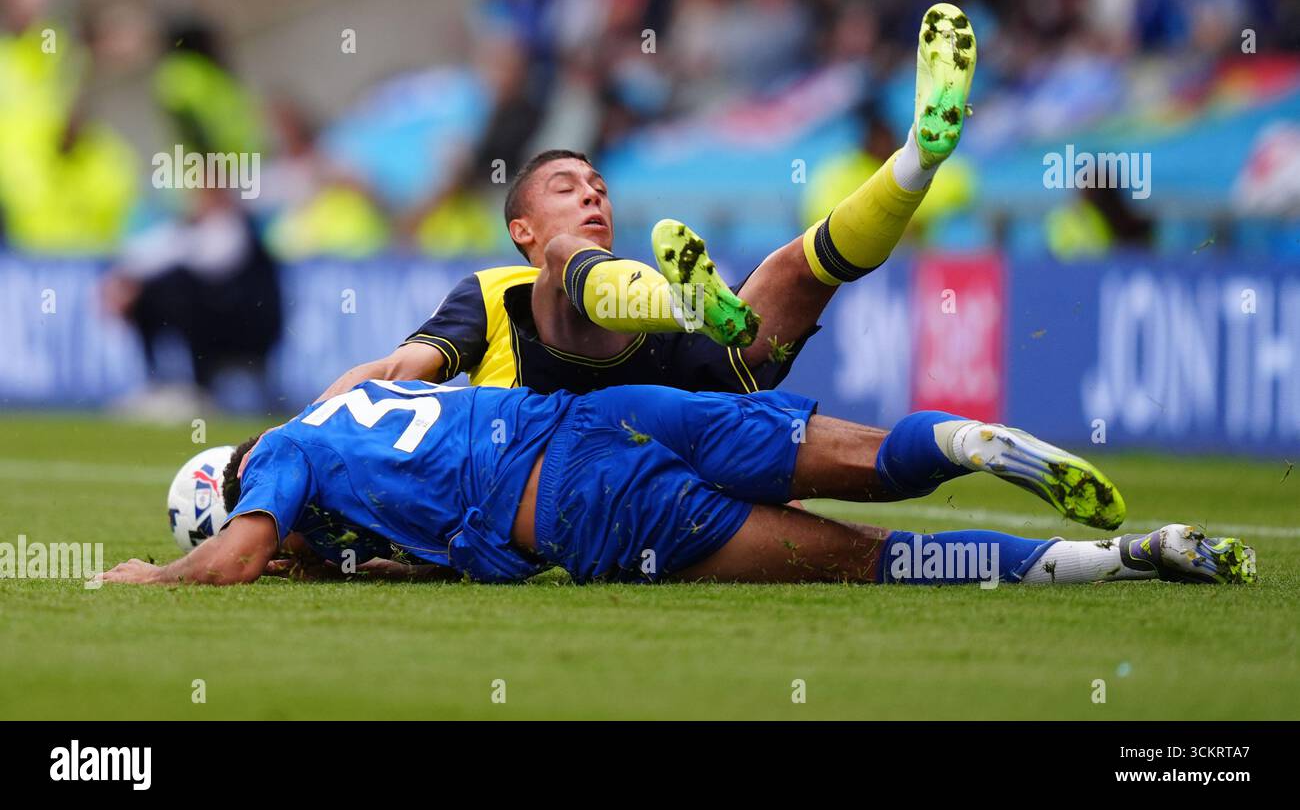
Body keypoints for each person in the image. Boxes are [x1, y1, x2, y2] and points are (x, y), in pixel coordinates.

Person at [320, 3, 979, 400]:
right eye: (567, 187)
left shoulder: (625, 285)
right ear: (519, 226)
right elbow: (397, 367)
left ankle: (918, 159)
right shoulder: (494, 289)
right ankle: (689, 302)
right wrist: (303, 434)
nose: (591, 195)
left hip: (653, 456)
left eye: (599, 188)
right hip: (530, 468)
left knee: (793, 271)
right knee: (570, 265)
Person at [97, 379, 1255, 587]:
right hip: (607, 413)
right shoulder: (331, 426)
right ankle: (953, 442)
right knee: (860, 459)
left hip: (584, 501)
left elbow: (241, 554)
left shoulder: (282, 466)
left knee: (857, 560)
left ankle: (1121, 556)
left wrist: (157, 574)